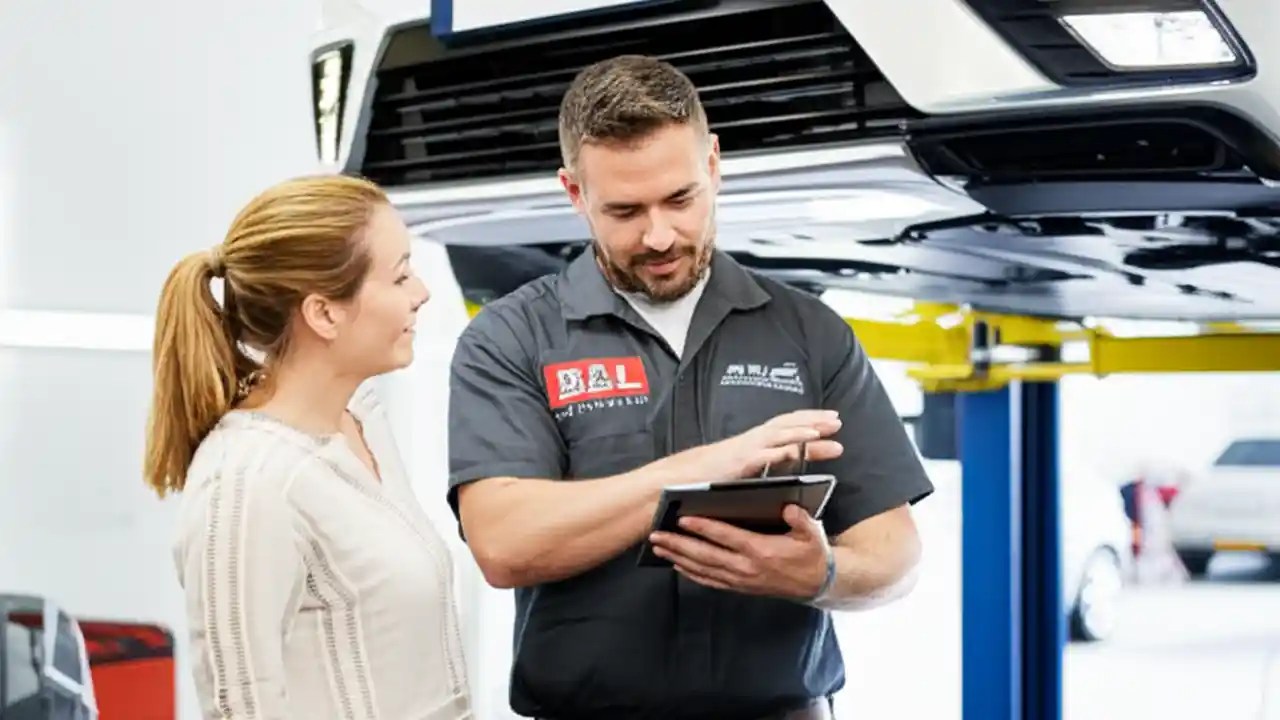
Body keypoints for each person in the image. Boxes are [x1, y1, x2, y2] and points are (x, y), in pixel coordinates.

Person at [446, 55, 935, 720]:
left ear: (713, 164)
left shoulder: (810, 332)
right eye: (624, 210)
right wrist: (705, 466)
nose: (658, 236)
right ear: (574, 192)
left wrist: (821, 575)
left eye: (680, 199)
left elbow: (895, 551)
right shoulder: (512, 338)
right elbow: (504, 545)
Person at [144, 174, 473, 720]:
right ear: (323, 313)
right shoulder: (247, 483)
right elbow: (240, 708)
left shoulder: (361, 419)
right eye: (399, 276)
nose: (421, 292)